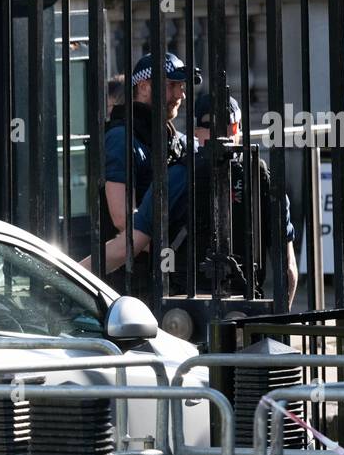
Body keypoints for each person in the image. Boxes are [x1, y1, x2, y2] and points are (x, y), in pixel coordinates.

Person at [87, 92, 298, 309]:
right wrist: (278, 323)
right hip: (247, 305)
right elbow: (288, 267)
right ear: (237, 129)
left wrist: (70, 272)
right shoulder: (263, 179)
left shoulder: (177, 177)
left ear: (197, 133)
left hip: (186, 312)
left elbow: (127, 247)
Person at [95, 52, 199, 301]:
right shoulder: (122, 138)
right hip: (133, 282)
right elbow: (123, 220)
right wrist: (177, 250)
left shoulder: (171, 138)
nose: (180, 95)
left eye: (181, 86)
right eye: (172, 85)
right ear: (143, 86)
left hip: (168, 276)